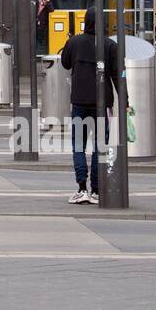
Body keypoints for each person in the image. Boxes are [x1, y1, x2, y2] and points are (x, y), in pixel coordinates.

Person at [61, 14, 120, 204]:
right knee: (99, 146)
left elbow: (65, 63)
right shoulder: (109, 45)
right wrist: (125, 101)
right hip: (102, 105)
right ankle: (96, 189)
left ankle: (81, 188)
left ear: (86, 22)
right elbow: (117, 76)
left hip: (79, 102)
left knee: (78, 145)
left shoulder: (74, 42)